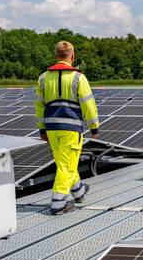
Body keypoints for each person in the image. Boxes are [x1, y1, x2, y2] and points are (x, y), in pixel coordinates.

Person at [34, 40, 99, 214]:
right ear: (72, 56)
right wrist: (94, 127)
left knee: (64, 162)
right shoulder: (79, 77)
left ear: (56, 56)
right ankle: (58, 203)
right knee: (67, 166)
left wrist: (41, 129)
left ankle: (78, 191)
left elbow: (39, 106)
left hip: (51, 128)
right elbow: (88, 104)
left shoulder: (43, 78)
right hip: (70, 128)